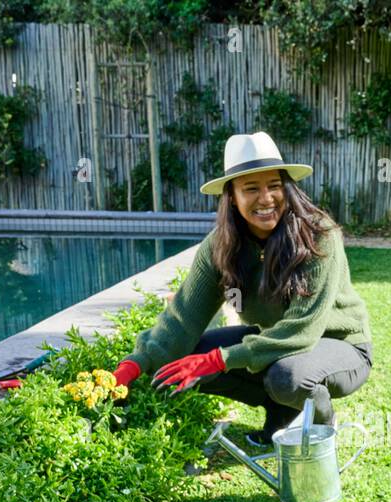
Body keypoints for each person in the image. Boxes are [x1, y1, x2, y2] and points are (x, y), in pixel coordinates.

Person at [110, 131, 373, 445]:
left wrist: (220, 359)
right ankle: (281, 412)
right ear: (231, 197)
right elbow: (182, 320)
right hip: (277, 346)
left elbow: (302, 331)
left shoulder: (318, 237)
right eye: (251, 189)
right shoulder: (220, 248)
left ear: (288, 188)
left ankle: (320, 430)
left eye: (274, 186)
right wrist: (133, 364)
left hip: (340, 346)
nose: (266, 198)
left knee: (287, 376)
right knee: (183, 358)